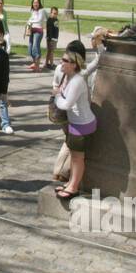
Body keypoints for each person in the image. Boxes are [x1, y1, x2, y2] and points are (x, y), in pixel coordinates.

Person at [53, 50, 97, 202]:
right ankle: (71, 183)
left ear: (73, 64)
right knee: (74, 155)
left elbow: (66, 104)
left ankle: (74, 187)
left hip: (82, 124)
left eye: (64, 60)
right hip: (75, 123)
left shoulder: (77, 81)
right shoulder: (70, 77)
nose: (61, 62)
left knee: (78, 158)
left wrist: (57, 95)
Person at [26, 0, 46, 70]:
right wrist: (28, 24)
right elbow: (29, 20)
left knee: (35, 47)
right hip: (32, 30)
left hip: (38, 31)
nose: (35, 4)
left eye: (37, 2)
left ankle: (37, 65)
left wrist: (30, 22)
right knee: (30, 49)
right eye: (34, 2)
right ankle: (34, 63)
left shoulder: (42, 10)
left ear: (39, 3)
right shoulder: (32, 11)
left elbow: (39, 20)